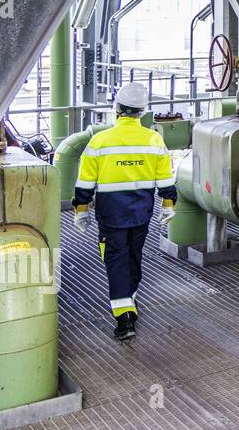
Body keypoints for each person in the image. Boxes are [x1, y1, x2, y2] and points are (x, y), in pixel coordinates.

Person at [72, 83, 176, 341]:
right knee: (133, 256)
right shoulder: (154, 140)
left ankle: (124, 318)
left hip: (111, 215)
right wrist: (168, 205)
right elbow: (165, 179)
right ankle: (130, 299)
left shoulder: (100, 141)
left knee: (116, 260)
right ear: (142, 112)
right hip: (142, 212)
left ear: (117, 109)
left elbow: (85, 182)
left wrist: (81, 210)